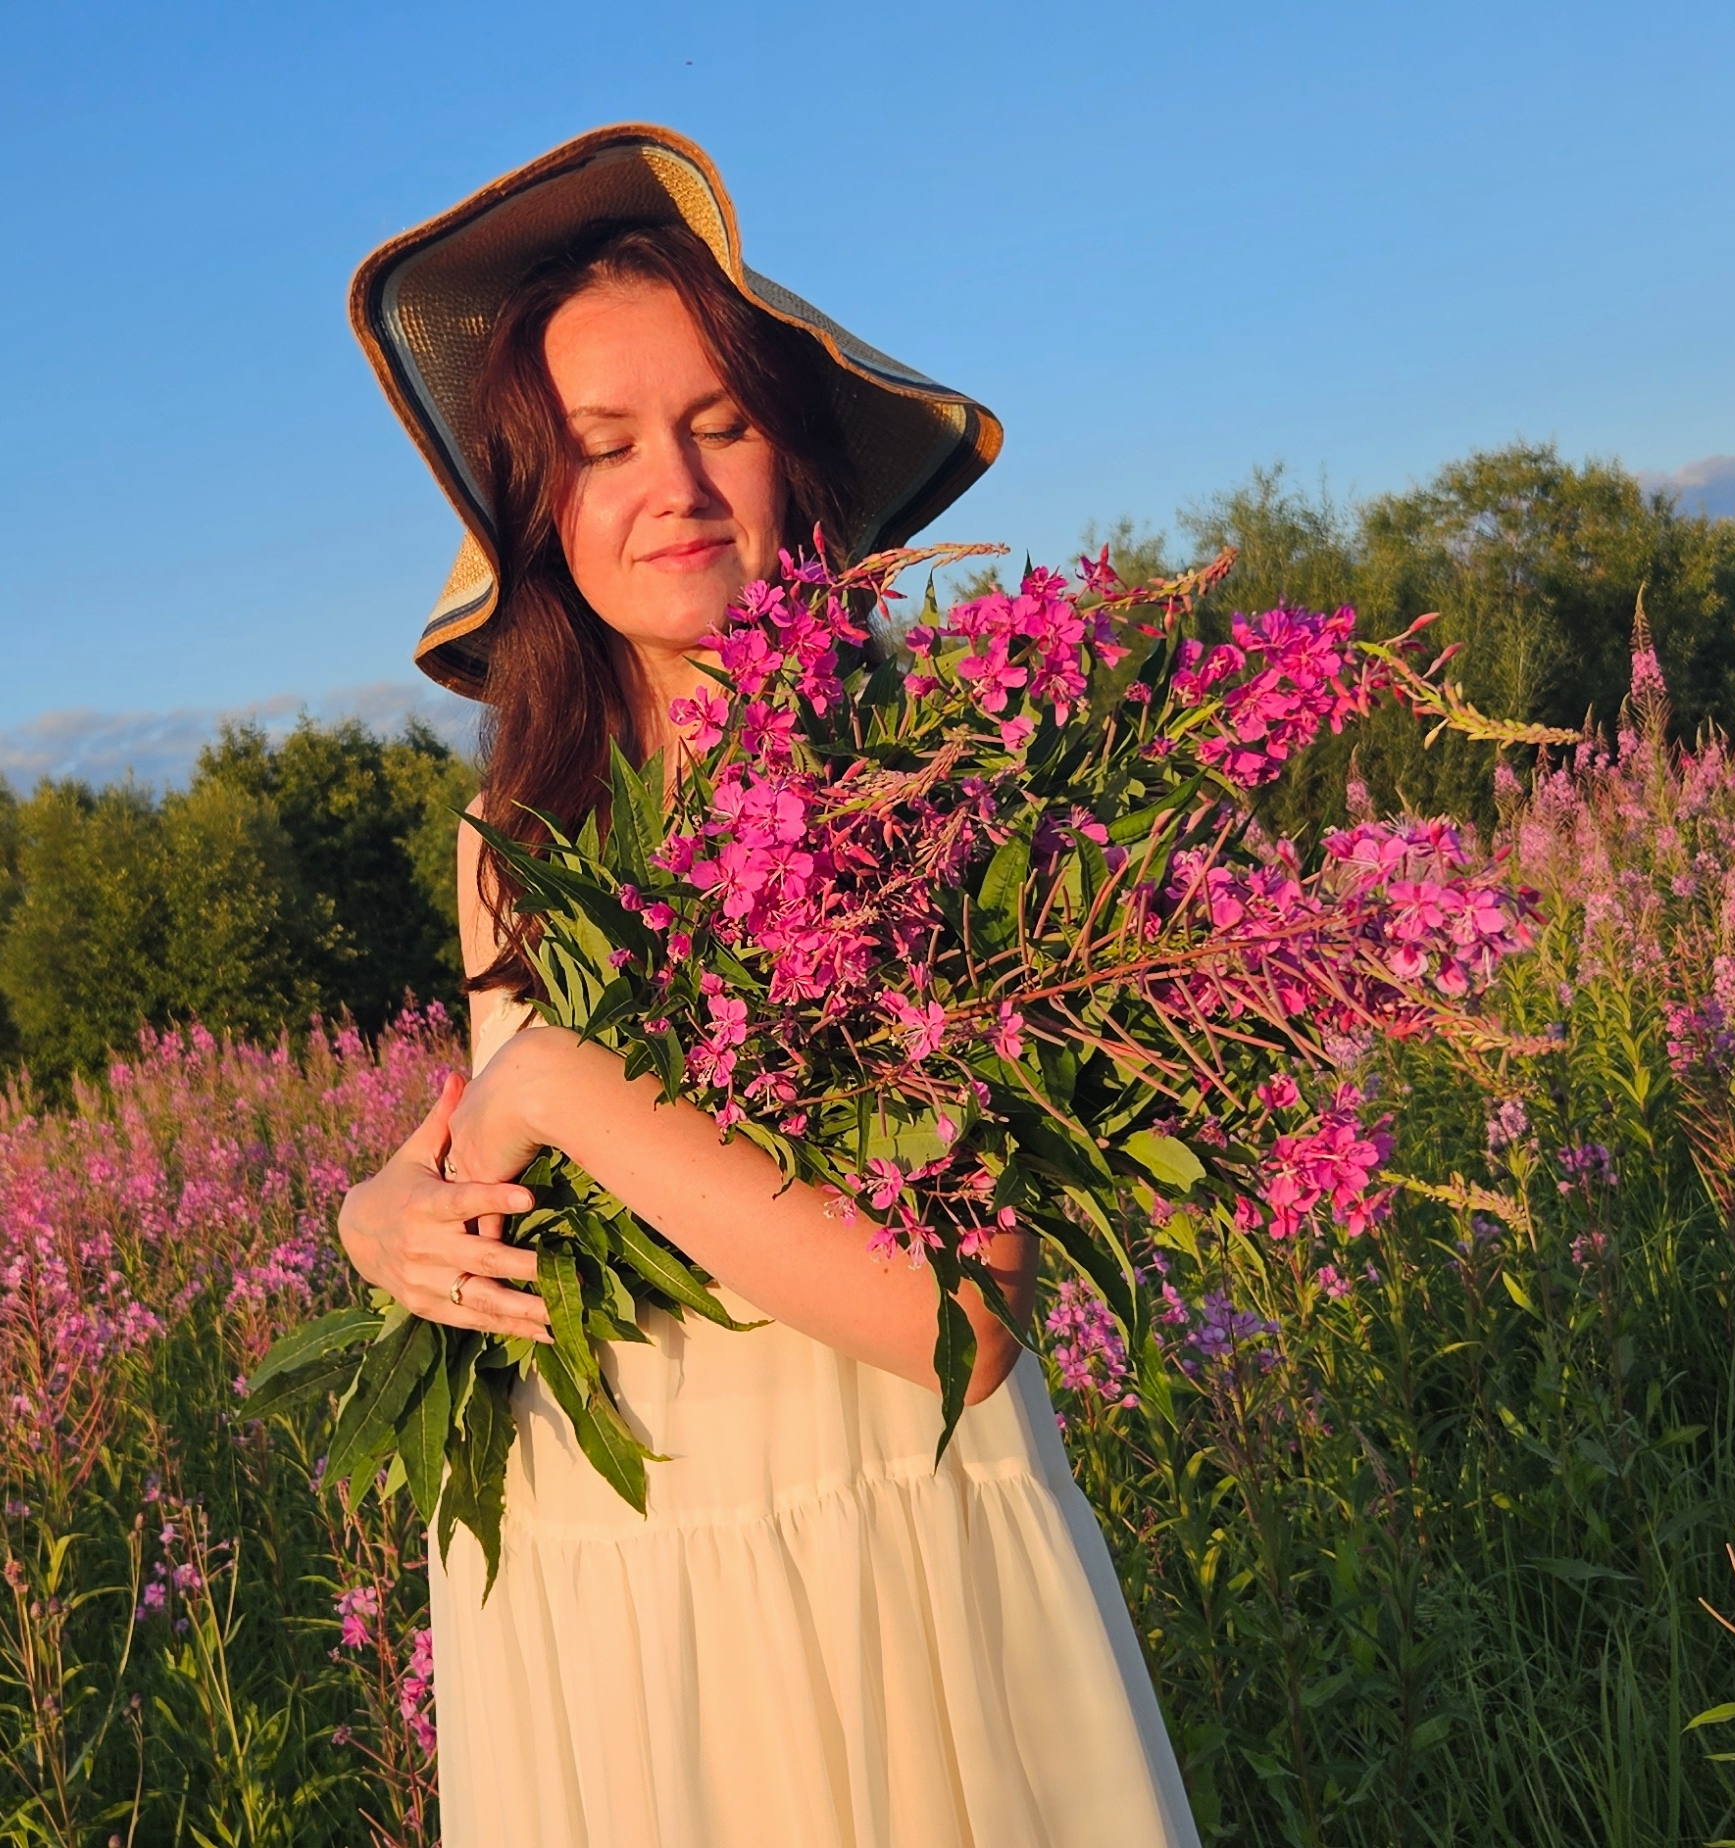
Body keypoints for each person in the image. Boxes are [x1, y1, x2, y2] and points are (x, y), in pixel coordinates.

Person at [336, 125, 1200, 1848]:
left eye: (719, 424)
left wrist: (563, 1086)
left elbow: (956, 1324)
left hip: (872, 1566)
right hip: (590, 1579)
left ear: (799, 469)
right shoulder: (512, 835)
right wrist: (382, 1217)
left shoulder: (935, 796)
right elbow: (496, 1151)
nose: (674, 483)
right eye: (600, 446)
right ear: (539, 513)